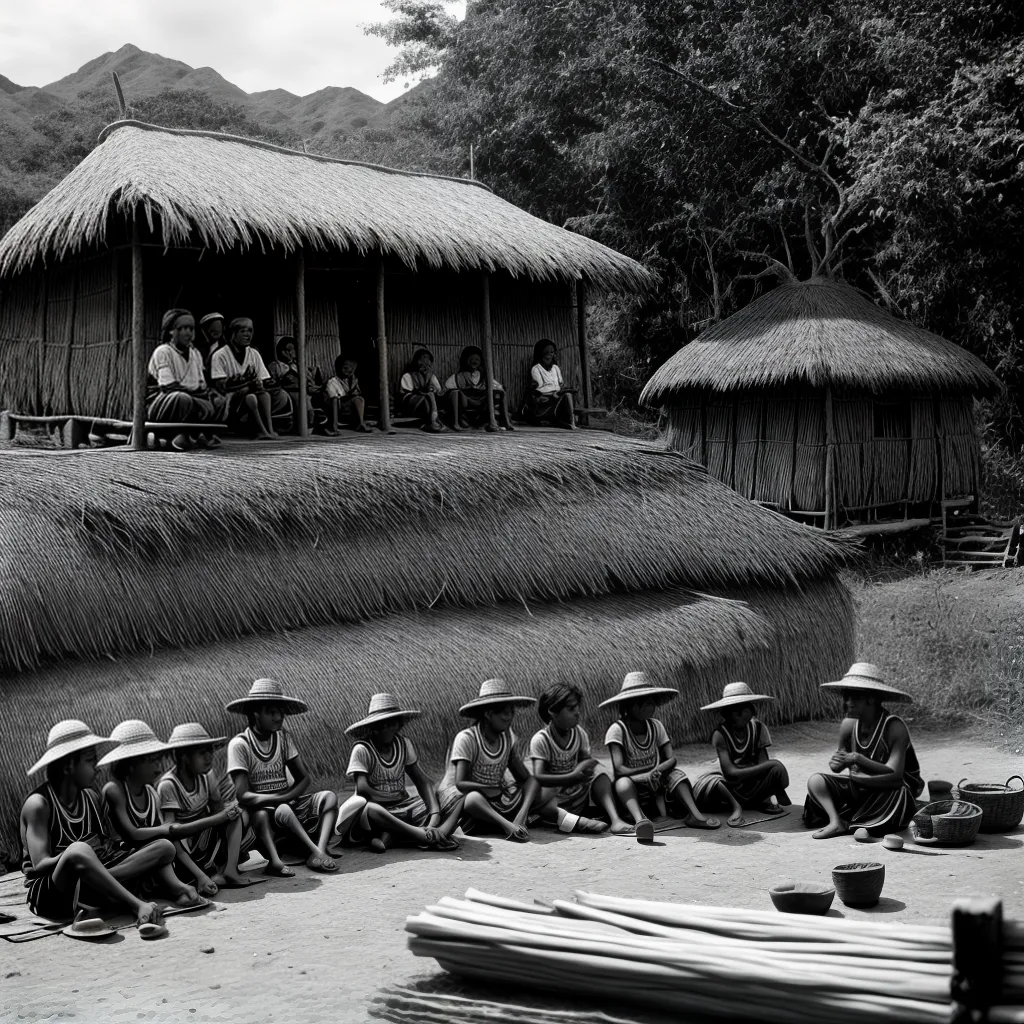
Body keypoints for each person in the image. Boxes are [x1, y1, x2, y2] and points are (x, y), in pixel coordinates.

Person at [19, 720, 169, 937]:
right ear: (68, 766)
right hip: (54, 892)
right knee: (78, 850)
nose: (97, 768)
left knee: (164, 847)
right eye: (90, 761)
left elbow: (106, 847)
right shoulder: (39, 804)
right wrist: (77, 853)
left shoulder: (91, 797)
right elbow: (40, 865)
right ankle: (135, 904)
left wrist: (111, 855)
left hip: (92, 881)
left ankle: (103, 885)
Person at [225, 678, 340, 874]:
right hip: (262, 810)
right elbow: (242, 795)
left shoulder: (283, 738)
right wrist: (278, 799)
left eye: (281, 712)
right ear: (255, 713)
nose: (278, 717)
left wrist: (288, 796)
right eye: (271, 712)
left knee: (329, 797)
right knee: (276, 811)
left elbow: (304, 778)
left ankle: (319, 851)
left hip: (287, 802)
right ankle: (298, 855)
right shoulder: (240, 744)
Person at [804, 663, 924, 839]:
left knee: (899, 795)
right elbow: (839, 763)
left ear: (871, 699)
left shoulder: (894, 726)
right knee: (816, 782)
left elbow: (895, 774)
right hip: (860, 784)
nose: (848, 703)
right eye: (846, 697)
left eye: (855, 698)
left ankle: (862, 824)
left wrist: (858, 759)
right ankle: (836, 822)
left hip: (890, 787)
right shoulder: (848, 725)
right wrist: (837, 763)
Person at [98, 720, 210, 908]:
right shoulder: (115, 790)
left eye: (158, 760)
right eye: (151, 761)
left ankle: (176, 888)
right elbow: (131, 834)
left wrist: (165, 831)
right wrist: (165, 829)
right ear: (131, 764)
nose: (158, 766)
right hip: (118, 857)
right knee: (163, 847)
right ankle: (104, 880)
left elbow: (158, 836)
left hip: (144, 857)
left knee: (165, 847)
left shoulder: (151, 793)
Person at [601, 672, 721, 842]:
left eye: (652, 702)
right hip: (633, 782)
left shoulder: (656, 726)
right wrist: (646, 773)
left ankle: (695, 815)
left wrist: (657, 770)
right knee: (622, 784)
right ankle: (641, 821)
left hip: (656, 778)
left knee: (677, 775)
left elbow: (671, 759)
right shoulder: (617, 730)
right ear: (630, 705)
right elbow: (619, 769)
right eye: (645, 703)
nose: (651, 707)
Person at [336, 693, 462, 853]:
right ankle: (424, 836)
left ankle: (424, 833)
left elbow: (421, 781)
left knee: (455, 796)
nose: (386, 729)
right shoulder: (362, 749)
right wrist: (391, 797)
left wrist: (434, 813)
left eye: (391, 724)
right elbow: (362, 789)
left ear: (398, 725)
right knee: (371, 810)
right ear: (373, 728)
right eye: (381, 725)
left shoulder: (404, 744)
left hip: (404, 805)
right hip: (378, 809)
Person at [437, 679, 552, 842]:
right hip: (466, 798)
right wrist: (489, 788)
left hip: (496, 798)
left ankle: (519, 820)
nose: (509, 717)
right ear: (488, 714)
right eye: (504, 713)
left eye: (511, 712)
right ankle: (507, 826)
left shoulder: (507, 738)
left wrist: (521, 806)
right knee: (472, 800)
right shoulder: (467, 738)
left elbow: (524, 778)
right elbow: (461, 783)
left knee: (539, 786)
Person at [158, 722, 256, 895]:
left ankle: (228, 870)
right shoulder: (168, 785)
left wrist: (229, 815)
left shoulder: (206, 776)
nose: (209, 757)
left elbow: (217, 809)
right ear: (184, 757)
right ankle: (200, 876)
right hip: (184, 852)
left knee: (238, 816)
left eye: (210, 751)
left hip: (204, 843)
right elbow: (171, 831)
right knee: (172, 841)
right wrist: (219, 818)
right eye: (202, 753)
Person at [692, 682, 791, 827]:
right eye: (735, 711)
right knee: (712, 782)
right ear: (727, 714)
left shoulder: (759, 728)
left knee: (776, 770)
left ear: (751, 710)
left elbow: (763, 765)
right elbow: (730, 772)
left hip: (751, 782)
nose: (741, 715)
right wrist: (769, 765)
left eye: (745, 710)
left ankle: (762, 799)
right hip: (731, 783)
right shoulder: (720, 734)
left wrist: (771, 768)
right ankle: (736, 806)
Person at [528, 683, 622, 834]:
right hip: (557, 799)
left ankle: (615, 819)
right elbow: (538, 777)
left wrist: (586, 768)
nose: (577, 713)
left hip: (578, 794)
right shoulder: (541, 739)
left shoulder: (579, 734)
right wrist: (571, 776)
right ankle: (576, 822)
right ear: (553, 712)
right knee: (538, 795)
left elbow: (587, 761)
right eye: (571, 709)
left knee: (601, 775)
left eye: (577, 707)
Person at [147, 308, 226, 451]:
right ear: (171, 331)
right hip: (164, 401)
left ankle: (196, 435)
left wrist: (211, 396)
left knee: (217, 401)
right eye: (183, 328)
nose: (189, 333)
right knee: (182, 398)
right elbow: (168, 386)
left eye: (191, 329)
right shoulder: (163, 351)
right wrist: (198, 397)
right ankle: (173, 436)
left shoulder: (195, 354)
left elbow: (202, 386)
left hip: (193, 397)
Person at [210, 317, 291, 439]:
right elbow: (221, 386)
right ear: (233, 333)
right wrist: (247, 383)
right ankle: (260, 431)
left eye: (250, 331)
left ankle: (269, 430)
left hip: (251, 392)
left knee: (265, 394)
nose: (247, 335)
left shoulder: (253, 353)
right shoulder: (220, 355)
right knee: (250, 396)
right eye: (243, 331)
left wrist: (262, 383)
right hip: (229, 399)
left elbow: (264, 378)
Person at [443, 346, 515, 432]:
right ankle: (457, 423)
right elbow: (447, 388)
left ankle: (500, 422)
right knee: (454, 392)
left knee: (499, 393)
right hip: (466, 403)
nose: (474, 362)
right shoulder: (458, 377)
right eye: (471, 359)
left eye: (477, 359)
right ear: (465, 360)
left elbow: (499, 387)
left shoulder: (484, 377)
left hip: (482, 403)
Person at [268, 336, 326, 434]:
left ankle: (321, 422)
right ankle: (306, 426)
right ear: (283, 351)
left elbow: (309, 380)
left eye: (294, 349)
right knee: (302, 399)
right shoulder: (275, 365)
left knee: (323, 393)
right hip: (288, 391)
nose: (293, 352)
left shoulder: (299, 365)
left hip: (305, 389)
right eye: (289, 349)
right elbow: (272, 383)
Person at [525, 339, 576, 429]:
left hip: (558, 394)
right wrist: (553, 393)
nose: (550, 354)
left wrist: (563, 390)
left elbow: (560, 384)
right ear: (541, 353)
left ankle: (572, 422)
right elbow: (539, 387)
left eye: (552, 352)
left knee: (568, 394)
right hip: (546, 396)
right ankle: (568, 422)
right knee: (565, 397)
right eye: (547, 351)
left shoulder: (555, 368)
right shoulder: (536, 369)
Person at [399, 348, 445, 432]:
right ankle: (433, 421)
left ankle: (431, 421)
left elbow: (438, 390)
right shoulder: (408, 375)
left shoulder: (431, 376)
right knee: (428, 397)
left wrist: (430, 385)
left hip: (427, 399)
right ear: (416, 360)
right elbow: (408, 391)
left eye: (427, 360)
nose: (424, 362)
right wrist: (424, 392)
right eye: (422, 359)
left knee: (430, 396)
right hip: (410, 401)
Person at [324, 355, 370, 433]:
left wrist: (354, 391)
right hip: (335, 407)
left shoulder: (353, 380)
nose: (349, 371)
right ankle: (333, 425)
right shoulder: (332, 381)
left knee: (359, 399)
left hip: (346, 406)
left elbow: (356, 393)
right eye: (345, 368)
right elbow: (332, 398)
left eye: (352, 369)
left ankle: (361, 423)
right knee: (335, 400)